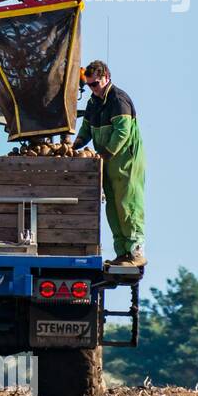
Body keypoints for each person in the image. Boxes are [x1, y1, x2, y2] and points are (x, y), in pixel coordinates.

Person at [72, 60, 146, 267]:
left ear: (106, 77)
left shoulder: (119, 100)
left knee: (128, 205)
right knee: (113, 207)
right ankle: (122, 253)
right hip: (107, 160)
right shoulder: (93, 102)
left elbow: (122, 133)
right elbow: (87, 128)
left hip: (126, 161)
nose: (92, 89)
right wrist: (74, 146)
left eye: (95, 84)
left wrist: (104, 154)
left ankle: (136, 252)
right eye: (89, 86)